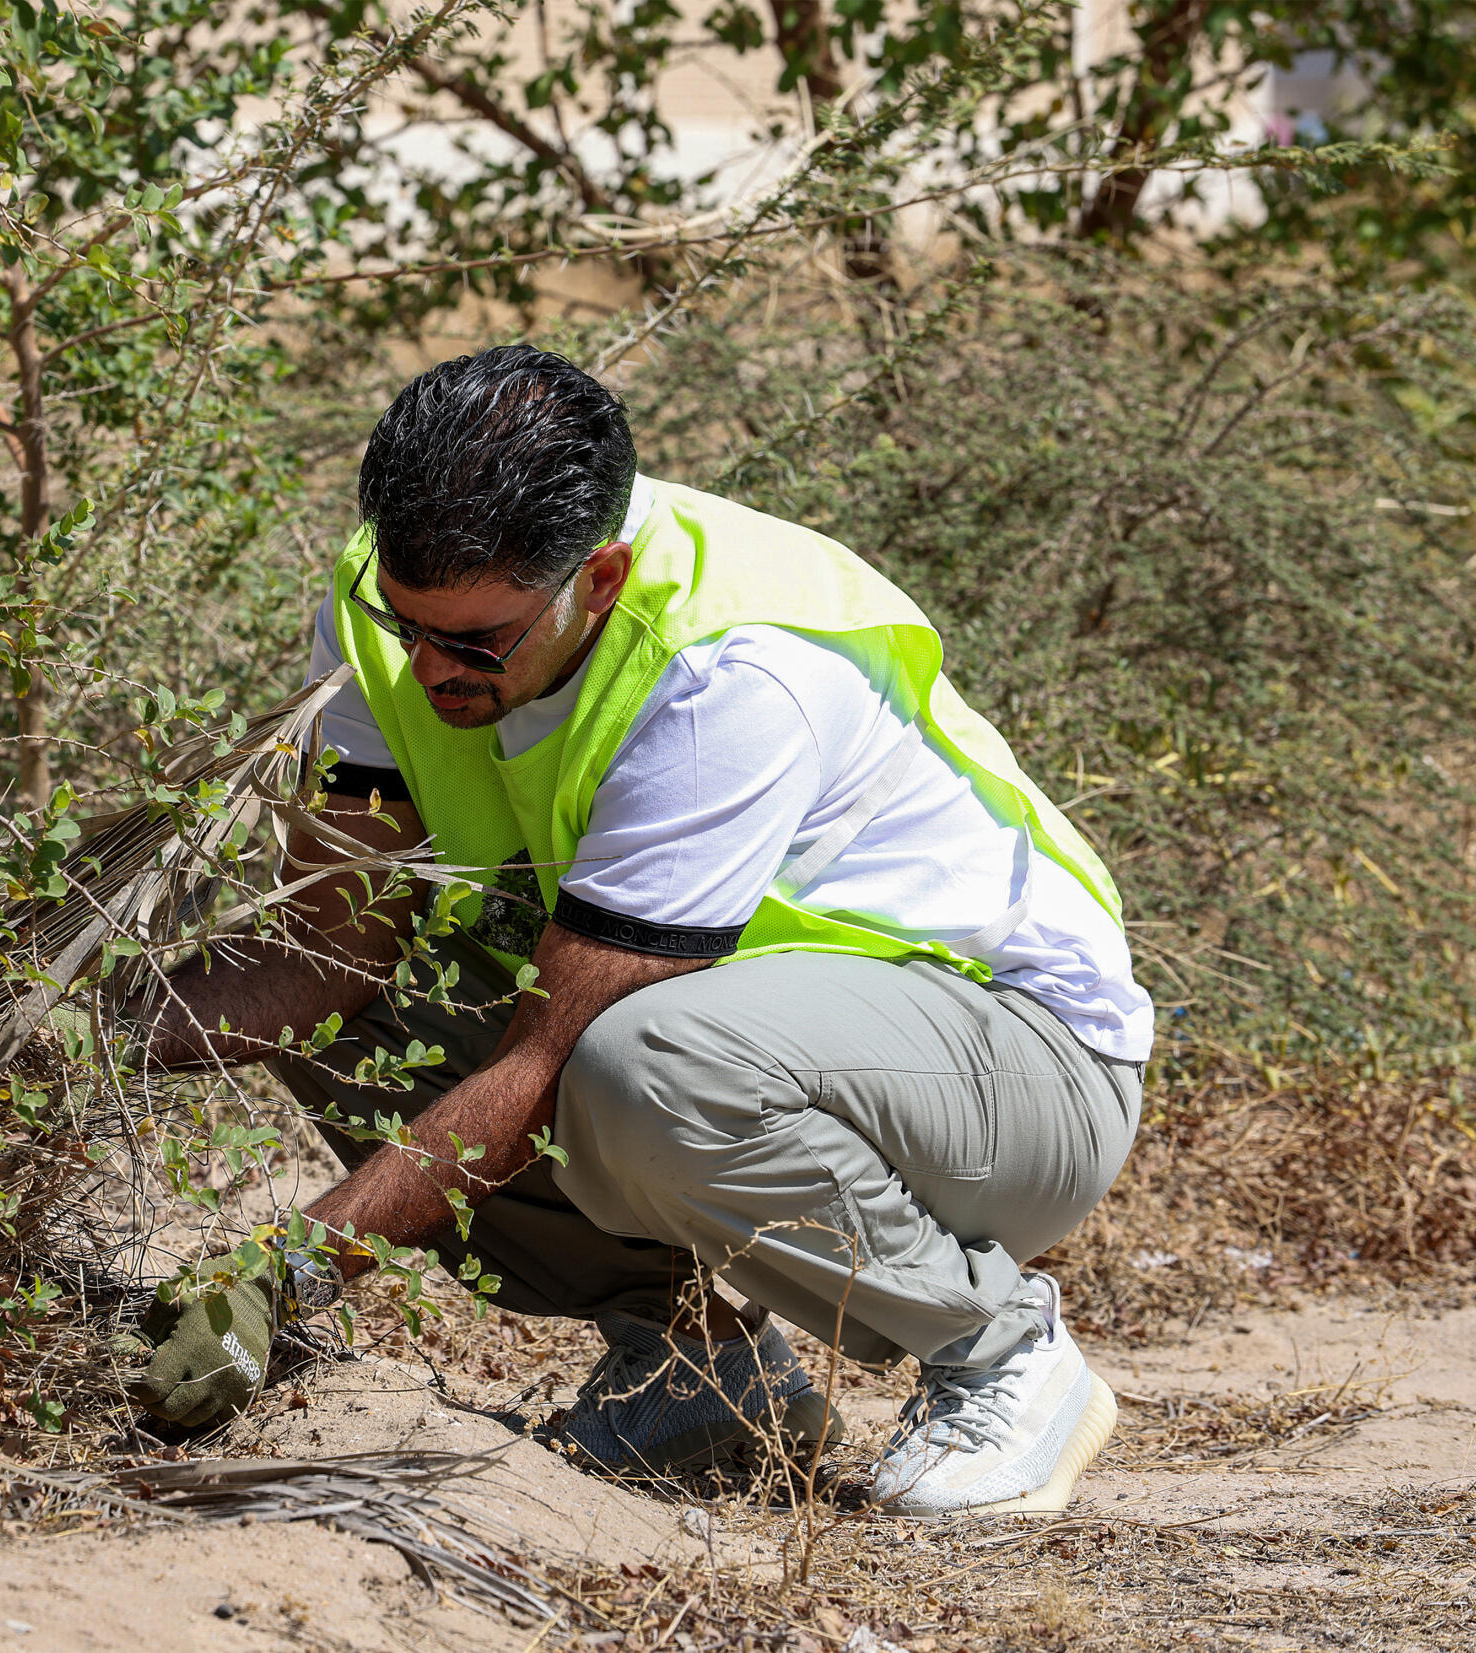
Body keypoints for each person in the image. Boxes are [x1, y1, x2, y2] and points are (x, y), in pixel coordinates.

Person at [120, 344, 1149, 1516]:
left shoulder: (730, 670)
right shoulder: (393, 608)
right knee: (394, 1010)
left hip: (1015, 1081)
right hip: (763, 1047)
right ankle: (695, 1368)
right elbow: (320, 957)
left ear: (597, 581)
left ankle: (1003, 1354)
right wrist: (43, 1040)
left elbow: (544, 1065)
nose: (426, 667)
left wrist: (279, 1282)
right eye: (404, 623)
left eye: (477, 643)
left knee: (638, 1065)